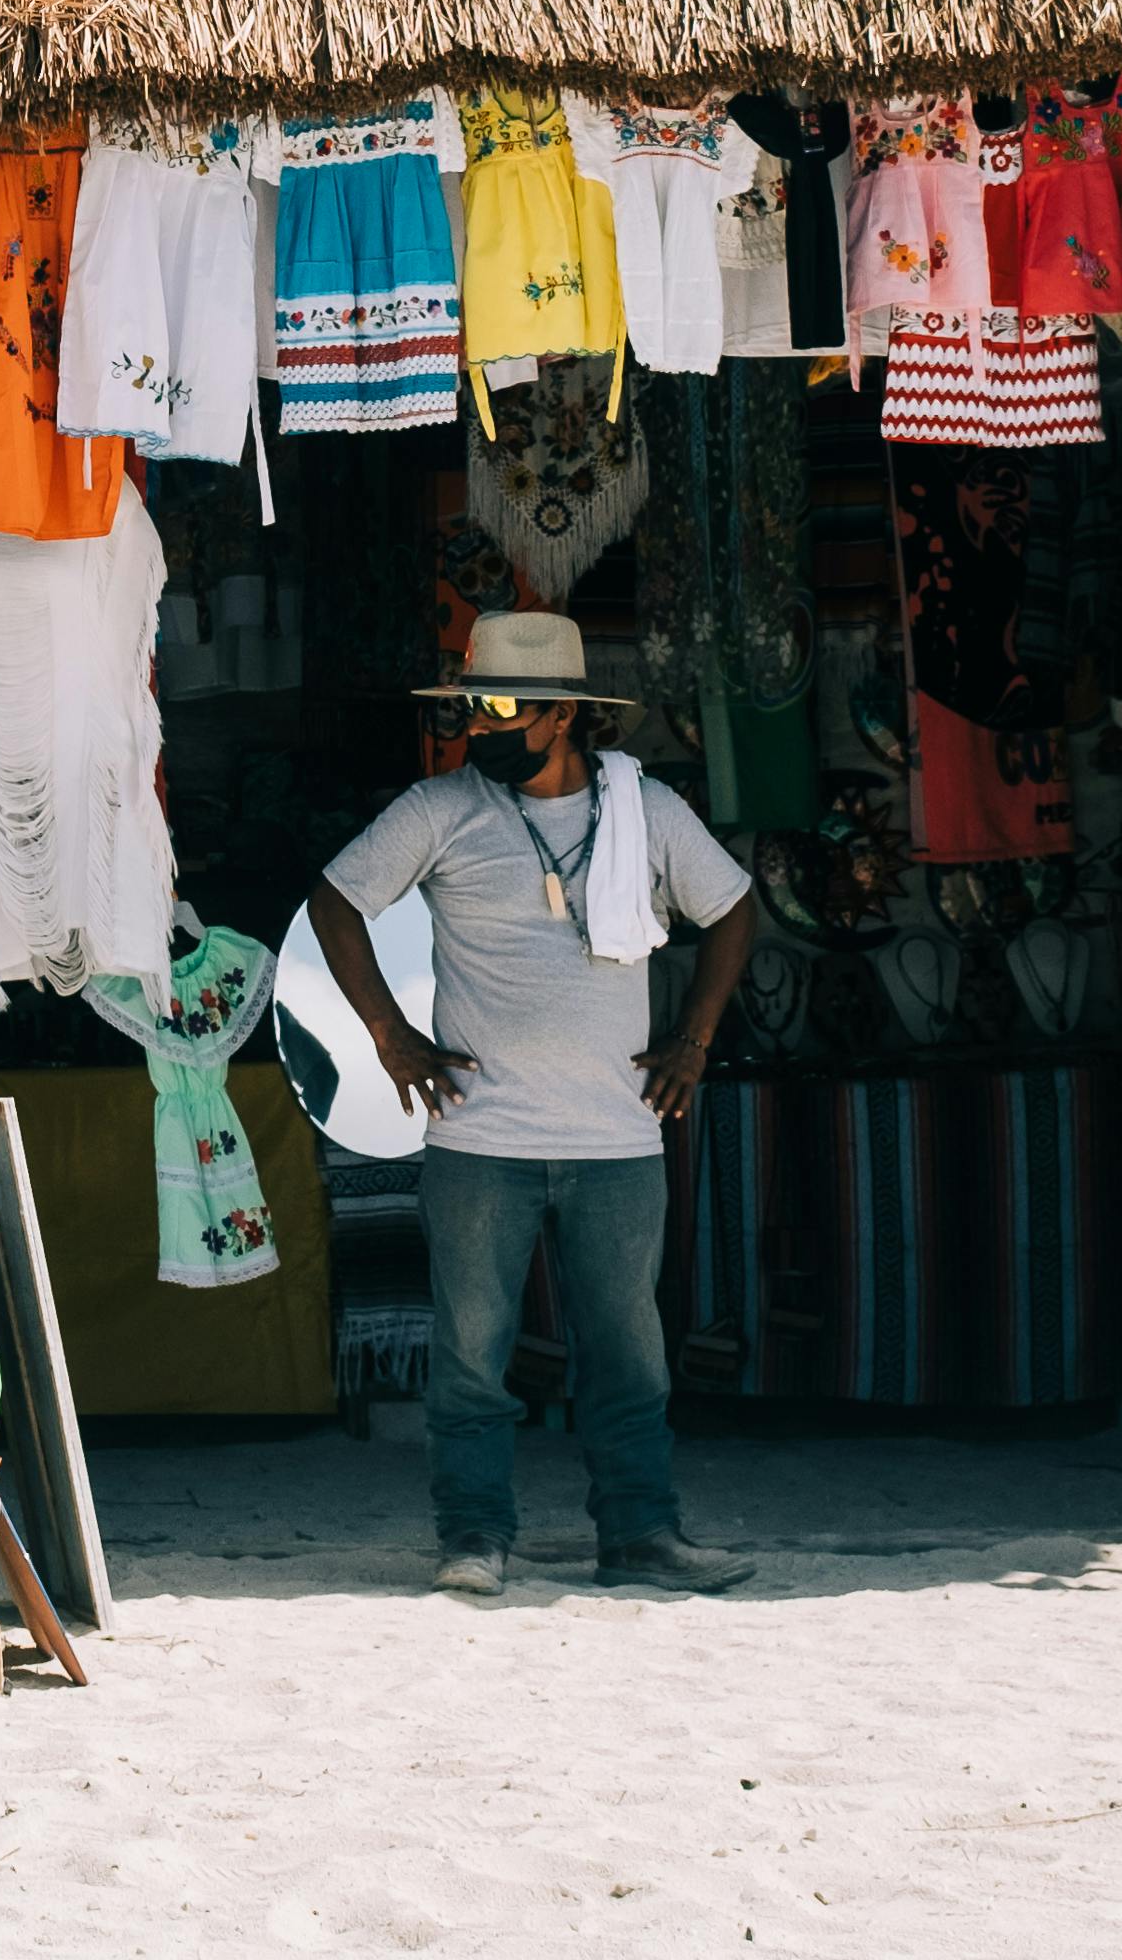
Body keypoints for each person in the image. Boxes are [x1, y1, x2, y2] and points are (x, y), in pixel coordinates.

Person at [305, 607, 763, 1601]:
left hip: (616, 1135)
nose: (482, 728)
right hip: (483, 1135)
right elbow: (334, 900)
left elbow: (733, 908)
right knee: (473, 1358)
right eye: (473, 708)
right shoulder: (443, 809)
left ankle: (640, 1533)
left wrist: (695, 1038)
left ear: (564, 715)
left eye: (504, 708)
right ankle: (473, 1537)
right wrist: (392, 1034)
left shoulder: (646, 811)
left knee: (629, 1356)